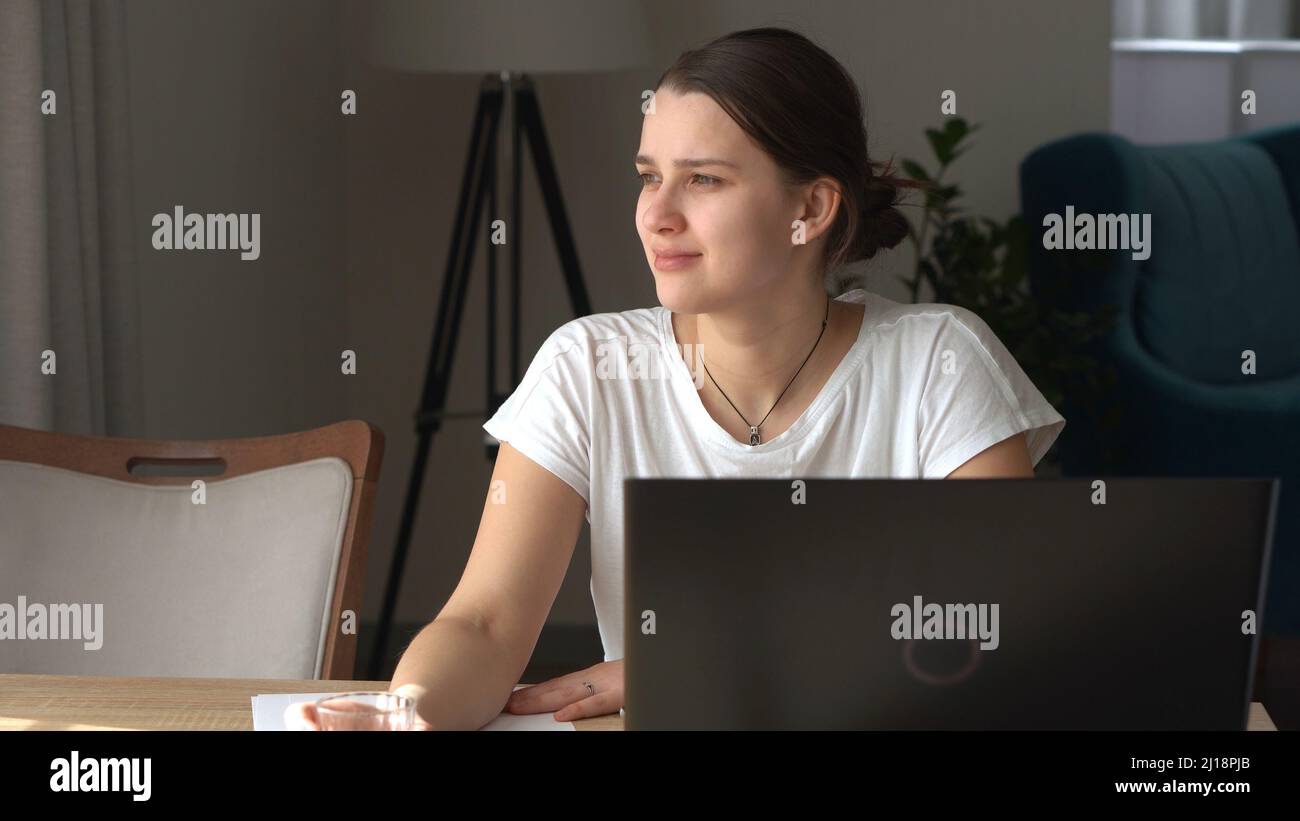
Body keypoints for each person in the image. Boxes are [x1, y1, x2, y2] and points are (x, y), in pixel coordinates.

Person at [287, 26, 1065, 730]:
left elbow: (990, 626)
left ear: (814, 207)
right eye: (647, 174)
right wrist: (403, 717)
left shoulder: (940, 363)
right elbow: (485, 624)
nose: (655, 214)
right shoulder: (588, 368)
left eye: (703, 180)